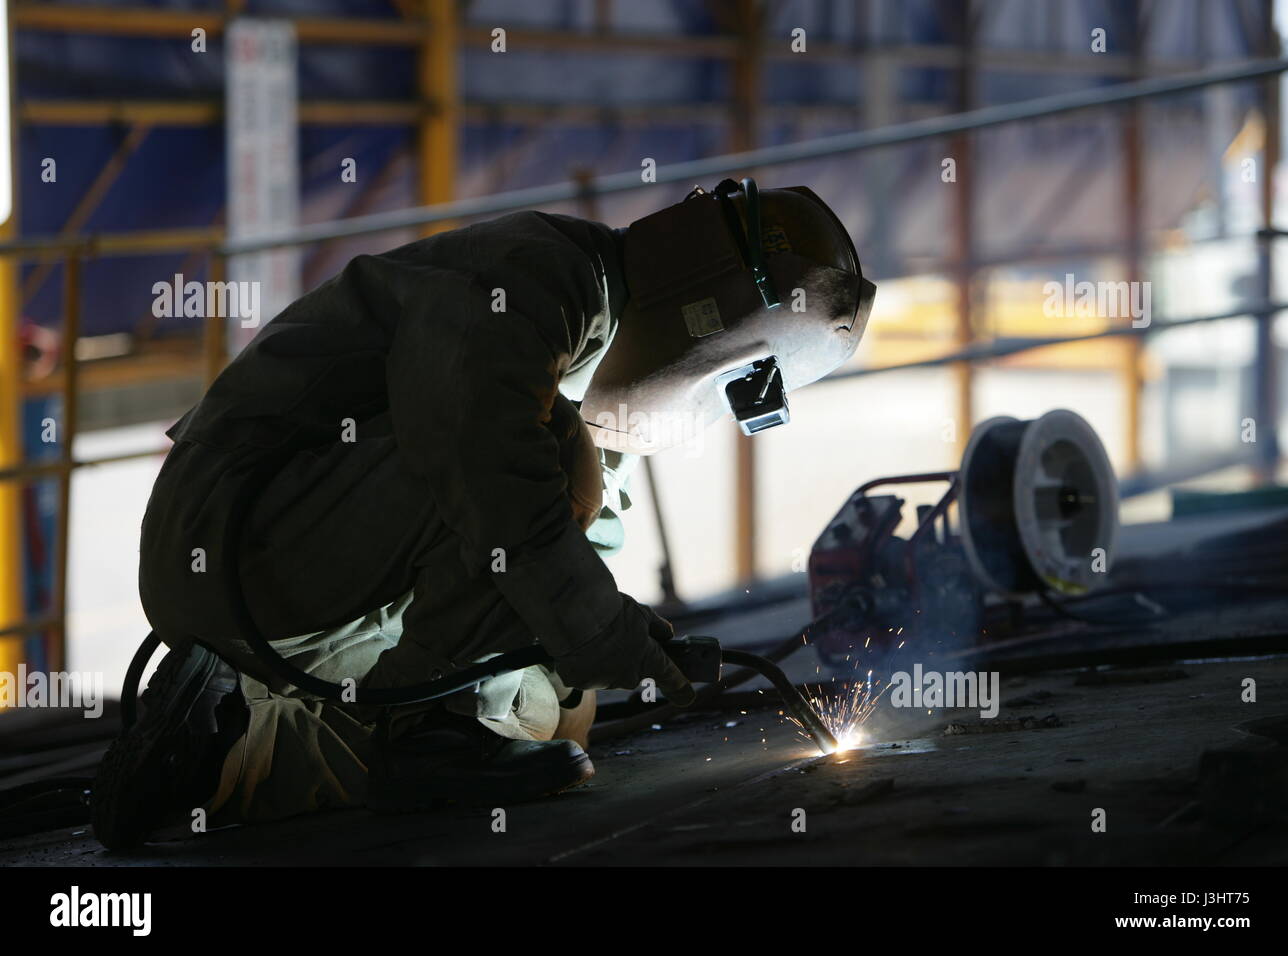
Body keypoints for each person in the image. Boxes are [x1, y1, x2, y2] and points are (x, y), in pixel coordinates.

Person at [91, 178, 874, 849]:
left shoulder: (596, 363)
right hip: (234, 536)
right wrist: (594, 626)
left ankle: (225, 752)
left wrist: (598, 639)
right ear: (719, 318)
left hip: (318, 592)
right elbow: (481, 467)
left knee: (549, 719)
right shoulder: (537, 276)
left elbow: (551, 562)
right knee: (539, 475)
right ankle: (422, 738)